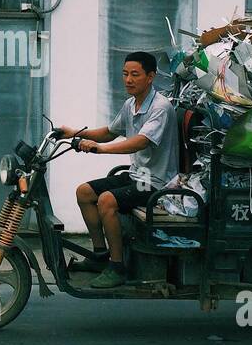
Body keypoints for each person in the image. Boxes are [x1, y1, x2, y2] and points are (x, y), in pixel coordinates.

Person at [54, 51, 178, 289]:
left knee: (107, 201)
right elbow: (110, 131)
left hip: (155, 182)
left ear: (150, 77)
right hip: (137, 175)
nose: (128, 79)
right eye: (125, 74)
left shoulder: (160, 107)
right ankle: (100, 256)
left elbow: (141, 141)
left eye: (135, 74)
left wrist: (101, 150)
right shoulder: (131, 104)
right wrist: (75, 133)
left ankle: (117, 266)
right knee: (84, 192)